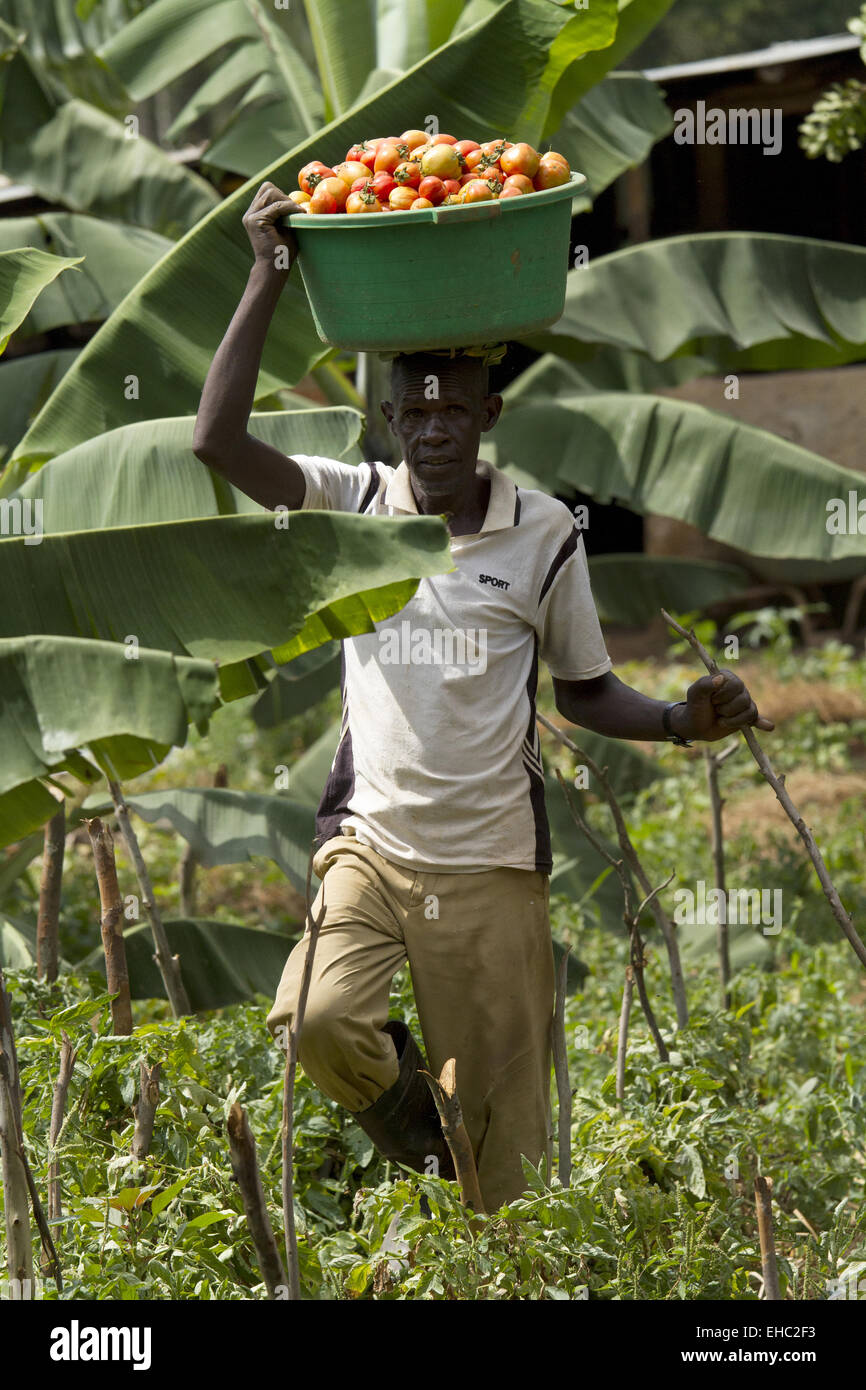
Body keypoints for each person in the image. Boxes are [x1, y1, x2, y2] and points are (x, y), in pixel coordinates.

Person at [193, 182, 774, 1212]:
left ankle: (485, 1237)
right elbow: (217, 442)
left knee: (508, 1174)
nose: (430, 428)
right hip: (368, 847)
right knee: (320, 1017)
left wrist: (681, 720)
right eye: (411, 410)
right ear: (386, 418)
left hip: (493, 865)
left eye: (451, 408)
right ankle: (420, 1138)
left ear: (487, 415)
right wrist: (266, 272)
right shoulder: (352, 503)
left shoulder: (543, 531)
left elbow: (586, 691)